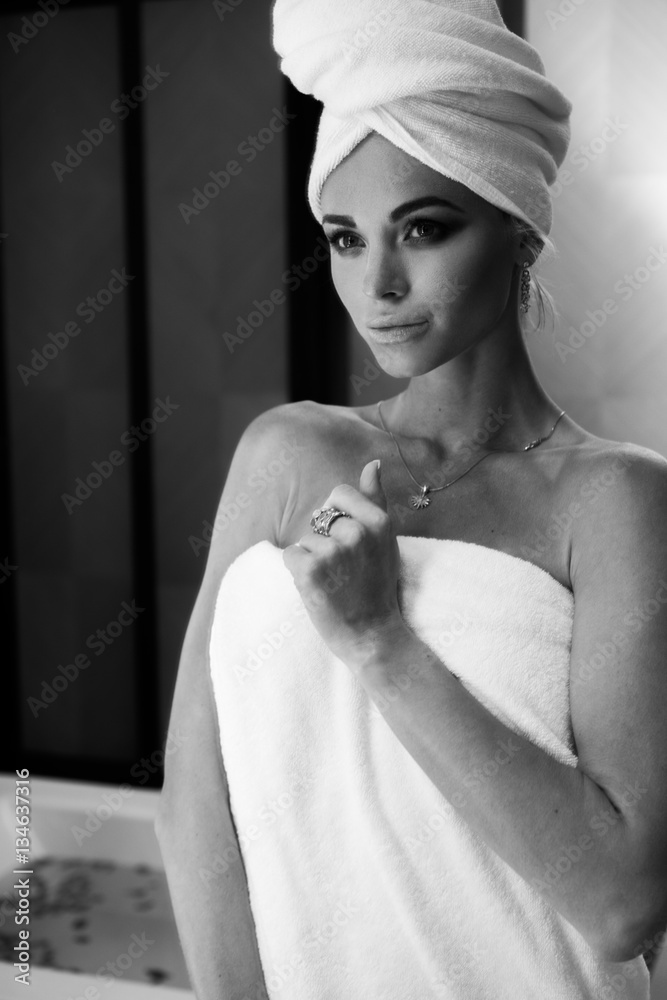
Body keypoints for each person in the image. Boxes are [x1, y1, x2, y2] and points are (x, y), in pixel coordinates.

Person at [156, 2, 667, 997]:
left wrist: (380, 642)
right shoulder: (286, 455)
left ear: (518, 230)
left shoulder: (615, 502)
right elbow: (194, 804)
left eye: (422, 229)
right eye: (345, 239)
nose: (378, 284)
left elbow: (623, 902)